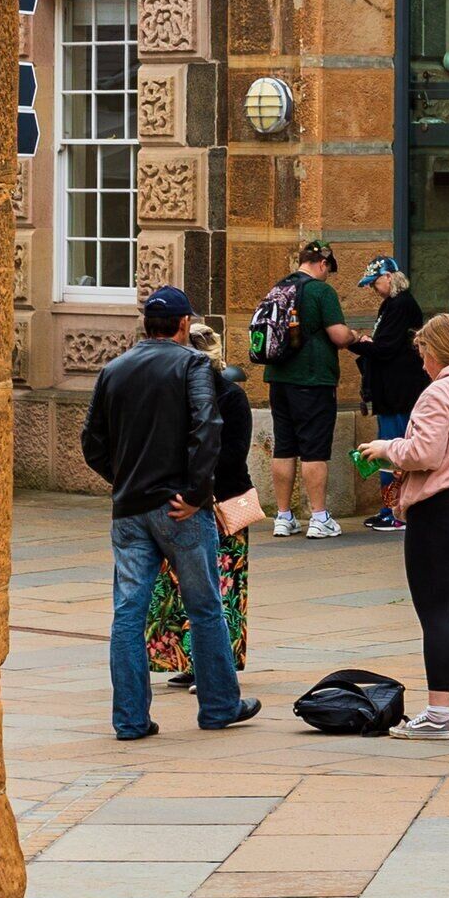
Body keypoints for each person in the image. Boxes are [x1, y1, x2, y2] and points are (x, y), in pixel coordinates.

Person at [79, 286, 258, 739]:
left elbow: (91, 443)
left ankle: (130, 719)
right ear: (182, 325)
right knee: (204, 607)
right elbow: (207, 428)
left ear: (147, 325)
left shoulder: (113, 369)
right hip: (179, 508)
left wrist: (121, 481)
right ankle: (219, 705)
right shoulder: (192, 364)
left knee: (128, 614)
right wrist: (197, 493)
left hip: (130, 508)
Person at [355, 312, 449, 741]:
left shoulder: (441, 391)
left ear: (436, 350)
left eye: (423, 352)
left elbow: (424, 452)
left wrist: (385, 448)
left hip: (440, 508)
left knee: (435, 613)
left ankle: (438, 717)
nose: (421, 363)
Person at [149, 317, 257, 693]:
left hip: (221, 503)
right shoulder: (175, 394)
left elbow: (231, 455)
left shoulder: (229, 395)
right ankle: (193, 663)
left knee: (220, 588)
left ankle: (215, 667)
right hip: (185, 503)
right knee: (184, 588)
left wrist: (196, 489)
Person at [261, 240, 356, 540]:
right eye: (329, 268)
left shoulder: (279, 287)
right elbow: (338, 336)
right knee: (314, 449)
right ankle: (318, 517)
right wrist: (355, 336)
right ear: (323, 263)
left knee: (285, 446)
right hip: (313, 380)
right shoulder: (321, 291)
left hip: (279, 378)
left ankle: (283, 516)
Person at [353, 256, 428, 533]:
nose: (374, 288)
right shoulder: (392, 305)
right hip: (390, 392)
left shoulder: (401, 304)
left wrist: (354, 343)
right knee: (387, 448)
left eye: (375, 282)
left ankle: (395, 511)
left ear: (389, 277)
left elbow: (386, 349)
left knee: (392, 450)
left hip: (399, 393)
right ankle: (390, 508)